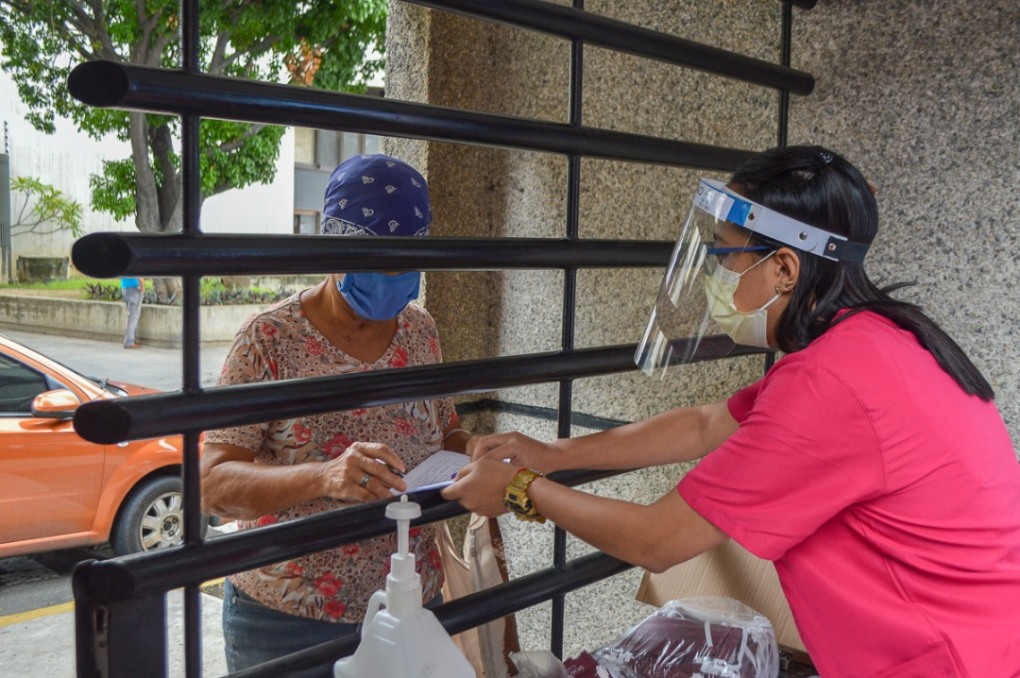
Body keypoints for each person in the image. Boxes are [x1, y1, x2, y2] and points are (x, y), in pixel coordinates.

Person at [443, 145, 1020, 677]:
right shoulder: (880, 339)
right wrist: (554, 453)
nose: (717, 278)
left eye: (725, 258)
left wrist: (521, 488)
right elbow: (704, 424)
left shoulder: (830, 383)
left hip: (941, 660)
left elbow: (658, 540)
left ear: (785, 270)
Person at [201, 154, 470, 677]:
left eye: (409, 262)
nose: (398, 279)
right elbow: (211, 484)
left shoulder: (421, 332)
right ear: (335, 248)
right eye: (382, 262)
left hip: (410, 605)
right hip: (286, 622)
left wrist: (475, 452)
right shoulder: (270, 340)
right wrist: (324, 476)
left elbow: (446, 430)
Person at [119, 276, 144, 348]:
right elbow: (140, 278)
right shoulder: (136, 265)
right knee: (133, 317)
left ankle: (128, 340)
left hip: (125, 287)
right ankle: (129, 341)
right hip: (134, 289)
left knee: (131, 316)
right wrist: (142, 289)